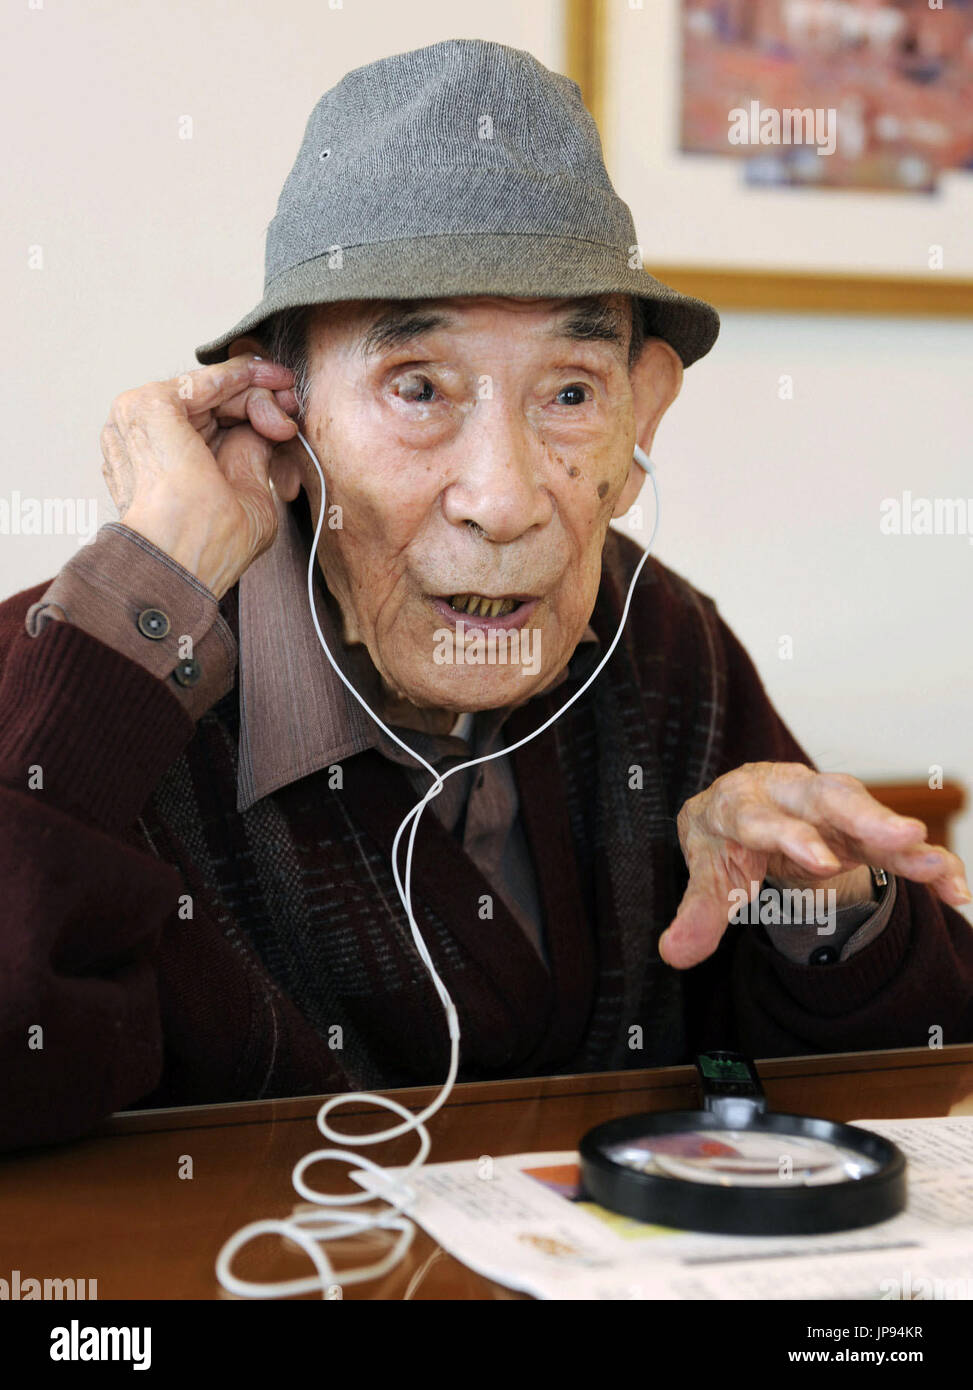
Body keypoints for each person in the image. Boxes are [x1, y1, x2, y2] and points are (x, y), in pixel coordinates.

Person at [1, 40, 970, 1153]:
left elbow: (910, 1078)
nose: (504, 501)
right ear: (282, 410)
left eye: (568, 392)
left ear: (641, 412)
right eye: (417, 388)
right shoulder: (86, 669)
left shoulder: (659, 640)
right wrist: (154, 571)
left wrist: (823, 905)